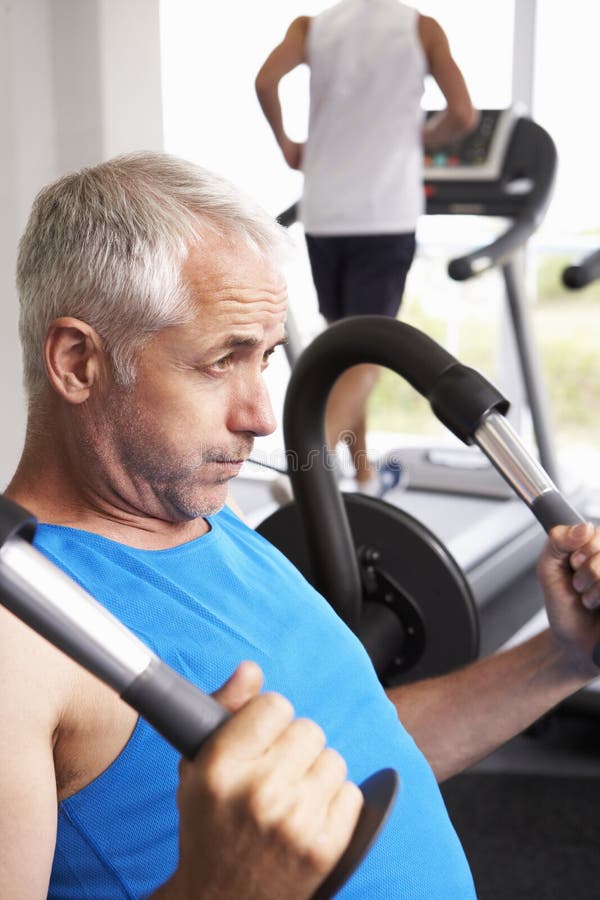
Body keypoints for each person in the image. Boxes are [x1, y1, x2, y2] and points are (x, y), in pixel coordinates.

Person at [2, 151, 600, 899]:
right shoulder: (20, 630)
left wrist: (563, 660)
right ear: (78, 362)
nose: (260, 416)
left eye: (267, 361)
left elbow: (354, 751)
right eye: (223, 361)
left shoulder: (203, 519)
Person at [255, 0, 480, 494]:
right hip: (383, 211)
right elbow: (463, 114)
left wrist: (288, 145)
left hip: (326, 209)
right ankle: (307, 472)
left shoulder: (311, 27)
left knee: (346, 342)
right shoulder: (421, 28)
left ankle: (364, 474)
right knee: (368, 357)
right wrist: (421, 135)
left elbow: (265, 81)